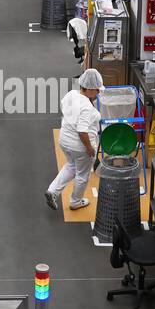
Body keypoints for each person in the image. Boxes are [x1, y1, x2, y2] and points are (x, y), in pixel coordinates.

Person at [46, 68, 103, 212]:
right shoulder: (87, 108)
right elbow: (82, 131)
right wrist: (90, 148)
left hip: (65, 140)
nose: (99, 92)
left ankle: (52, 191)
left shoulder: (71, 95)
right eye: (97, 90)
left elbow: (66, 110)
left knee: (71, 166)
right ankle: (75, 202)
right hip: (81, 147)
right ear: (89, 89)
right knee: (82, 175)